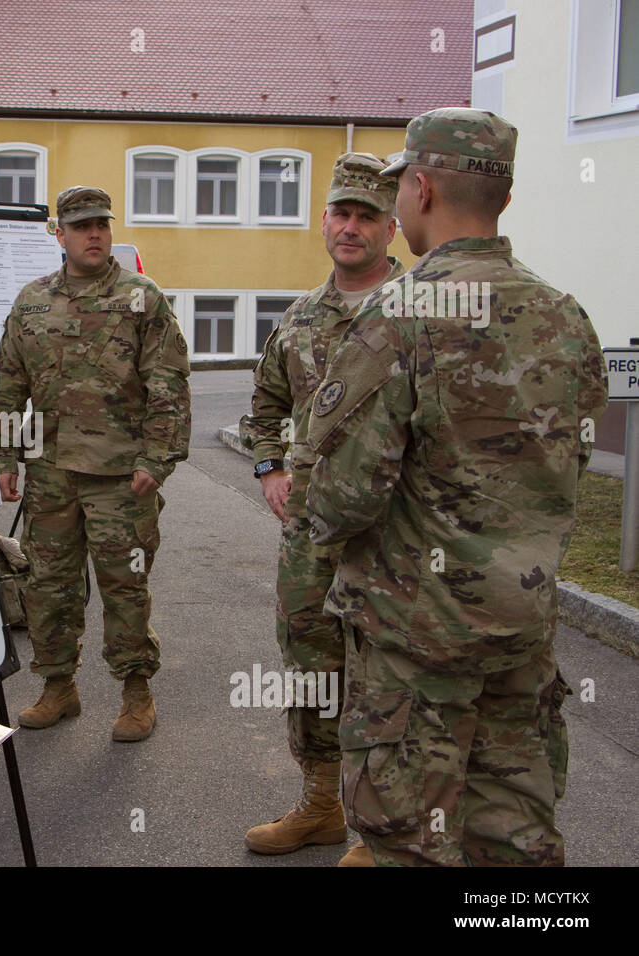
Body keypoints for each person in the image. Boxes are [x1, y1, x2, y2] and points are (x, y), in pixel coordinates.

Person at [305, 108, 608, 866]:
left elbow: (344, 497)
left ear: (422, 188)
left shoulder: (398, 317)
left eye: (401, 184)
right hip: (521, 629)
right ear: (501, 199)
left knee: (410, 838)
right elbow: (570, 457)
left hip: (418, 642)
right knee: (514, 833)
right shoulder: (564, 317)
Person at [240, 153, 403, 861]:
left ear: (392, 225)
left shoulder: (420, 310)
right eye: (341, 212)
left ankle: (375, 826)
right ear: (326, 219)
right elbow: (267, 405)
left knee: (385, 676)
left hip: (395, 535)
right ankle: (319, 805)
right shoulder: (301, 316)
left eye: (367, 215)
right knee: (310, 665)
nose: (351, 226)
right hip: (310, 533)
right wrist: (271, 467)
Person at [0, 186, 191, 742]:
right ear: (60, 235)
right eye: (81, 226)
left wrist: (158, 458)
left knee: (124, 586)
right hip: (50, 472)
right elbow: (9, 385)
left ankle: (135, 694)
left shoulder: (140, 296)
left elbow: (169, 384)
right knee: (47, 585)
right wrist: (4, 456)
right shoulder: (31, 302)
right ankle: (59, 686)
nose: (94, 234)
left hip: (121, 476)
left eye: (101, 224)